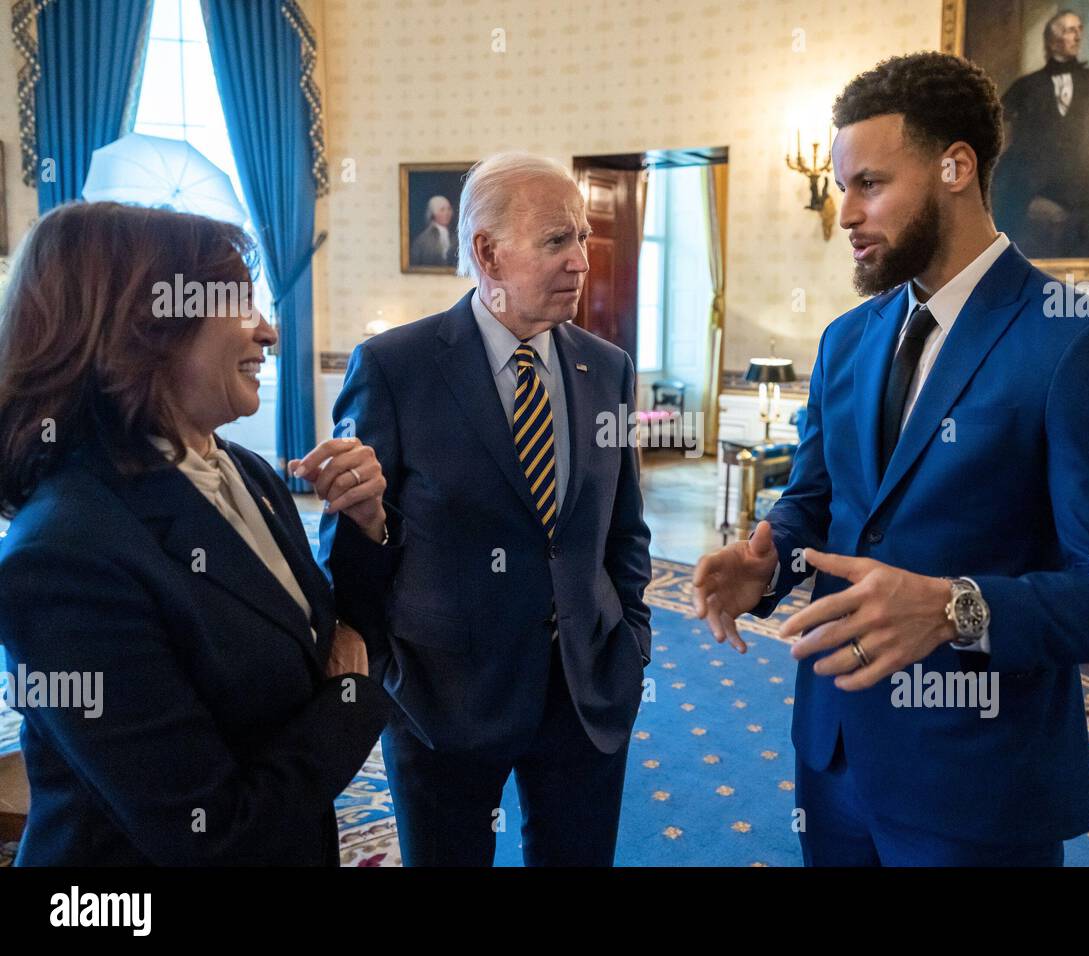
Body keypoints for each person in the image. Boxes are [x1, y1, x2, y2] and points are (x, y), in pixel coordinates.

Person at [692, 52, 1089, 866]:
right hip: (834, 752)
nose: (845, 212)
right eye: (841, 185)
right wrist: (764, 566)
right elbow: (817, 504)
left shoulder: (1081, 344)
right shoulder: (847, 339)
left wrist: (958, 608)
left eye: (869, 184)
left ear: (957, 166)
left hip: (978, 781)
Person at [0, 202, 392, 865]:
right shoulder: (62, 557)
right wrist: (350, 698)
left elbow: (326, 635)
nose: (268, 331)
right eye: (240, 306)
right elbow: (213, 833)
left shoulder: (245, 470)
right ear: (143, 326)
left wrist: (364, 526)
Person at [318, 152, 652, 866]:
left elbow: (624, 529)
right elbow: (352, 559)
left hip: (587, 692)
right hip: (445, 701)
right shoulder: (393, 368)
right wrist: (390, 675)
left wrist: (632, 647)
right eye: (557, 240)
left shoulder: (609, 368)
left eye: (583, 239)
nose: (581, 262)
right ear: (487, 252)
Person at [991, 9, 1089, 256]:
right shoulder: (1028, 85)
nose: (1077, 37)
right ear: (1053, 42)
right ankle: (1008, 271)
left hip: (1074, 168)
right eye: (1069, 31)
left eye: (1079, 30)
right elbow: (995, 113)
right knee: (1005, 197)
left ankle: (1087, 273)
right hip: (1029, 167)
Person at [410, 194, 458, 267]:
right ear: (433, 213)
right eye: (442, 210)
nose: (447, 213)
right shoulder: (422, 240)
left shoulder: (456, 238)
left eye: (449, 209)